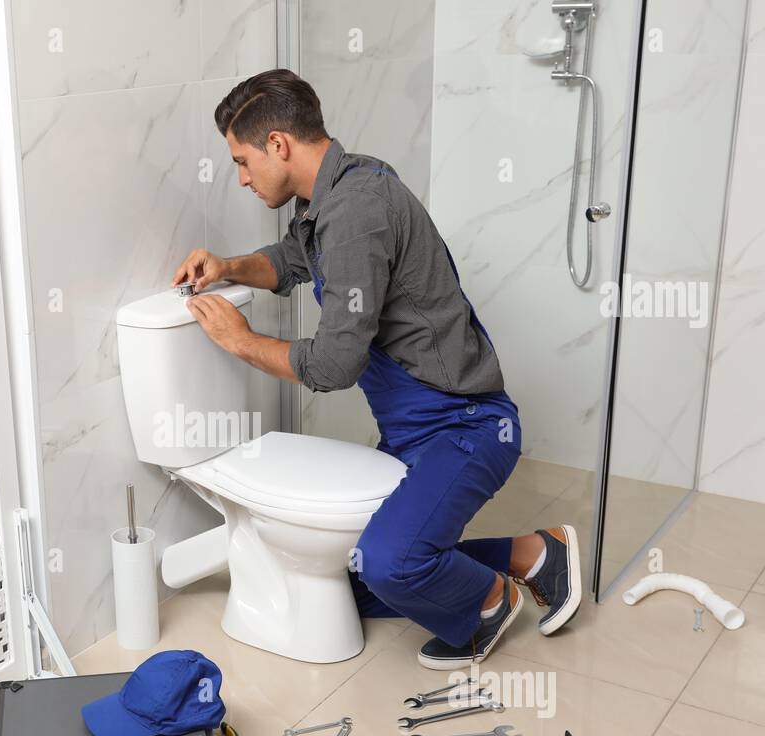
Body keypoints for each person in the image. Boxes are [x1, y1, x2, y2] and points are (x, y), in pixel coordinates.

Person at [170, 69, 581, 669]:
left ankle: (490, 604)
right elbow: (292, 258)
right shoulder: (336, 191)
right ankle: (534, 555)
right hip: (416, 429)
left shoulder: (357, 212)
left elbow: (335, 364)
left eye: (241, 160)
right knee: (353, 582)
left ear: (278, 145)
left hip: (464, 428)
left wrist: (241, 341)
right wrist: (228, 265)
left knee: (391, 566)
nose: (241, 178)